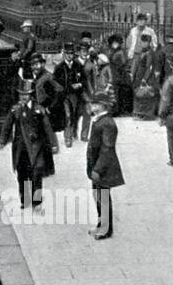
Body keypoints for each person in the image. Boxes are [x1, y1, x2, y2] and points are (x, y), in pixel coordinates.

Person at [0, 77, 58, 209]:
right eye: (21, 94)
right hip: (21, 147)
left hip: (37, 147)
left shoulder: (39, 109)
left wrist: (53, 144)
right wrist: (2, 140)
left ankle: (37, 202)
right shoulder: (16, 109)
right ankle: (25, 200)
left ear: (31, 95)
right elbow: (7, 125)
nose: (23, 97)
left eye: (26, 94)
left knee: (36, 173)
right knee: (22, 174)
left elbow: (47, 127)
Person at [85, 89, 123, 239]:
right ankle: (101, 225)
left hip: (103, 168)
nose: (92, 105)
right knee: (99, 197)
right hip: (97, 167)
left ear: (103, 105)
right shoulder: (100, 120)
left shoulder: (107, 123)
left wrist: (98, 169)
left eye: (95, 103)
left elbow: (107, 149)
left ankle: (106, 230)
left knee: (104, 198)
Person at [55, 43, 89, 148]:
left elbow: (84, 79)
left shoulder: (77, 65)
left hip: (78, 94)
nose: (70, 56)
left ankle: (81, 135)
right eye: (68, 53)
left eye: (71, 54)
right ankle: (68, 138)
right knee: (68, 116)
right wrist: (70, 86)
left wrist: (80, 84)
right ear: (64, 54)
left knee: (83, 112)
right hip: (65, 95)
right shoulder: (60, 67)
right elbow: (57, 84)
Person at [28, 52, 65, 141]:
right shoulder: (36, 77)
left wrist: (50, 108)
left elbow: (60, 91)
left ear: (43, 64)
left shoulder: (48, 77)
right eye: (33, 65)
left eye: (37, 64)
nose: (35, 67)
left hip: (47, 111)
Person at [130, 33, 160, 120]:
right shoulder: (141, 52)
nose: (144, 43)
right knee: (139, 94)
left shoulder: (150, 53)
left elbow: (149, 68)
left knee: (146, 95)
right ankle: (139, 113)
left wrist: (144, 79)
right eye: (142, 42)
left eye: (146, 42)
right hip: (139, 76)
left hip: (147, 77)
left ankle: (146, 114)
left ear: (149, 42)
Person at [108, 34, 132, 116]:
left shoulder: (120, 52)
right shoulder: (116, 51)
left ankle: (117, 110)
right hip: (117, 74)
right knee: (117, 93)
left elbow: (123, 64)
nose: (114, 44)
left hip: (119, 75)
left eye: (116, 43)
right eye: (113, 43)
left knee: (118, 93)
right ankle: (117, 110)